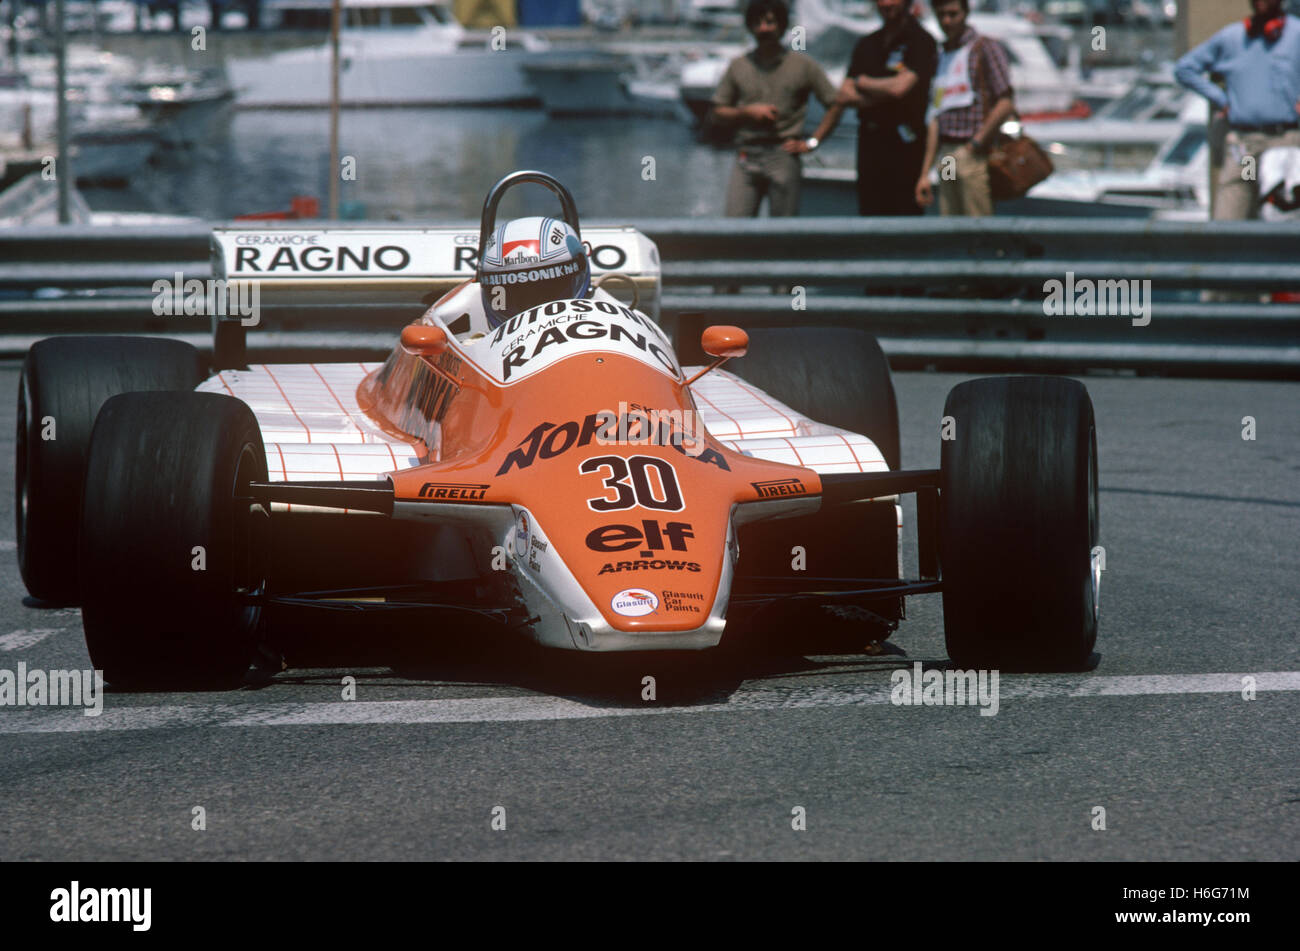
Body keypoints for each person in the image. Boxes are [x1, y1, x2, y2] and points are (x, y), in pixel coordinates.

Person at [711, 0, 851, 217]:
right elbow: (718, 112)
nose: (763, 29)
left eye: (770, 22)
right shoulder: (738, 65)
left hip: (783, 155)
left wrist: (812, 143)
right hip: (746, 156)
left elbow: (835, 104)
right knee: (733, 229)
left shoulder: (803, 65)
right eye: (757, 23)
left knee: (783, 232)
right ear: (750, 27)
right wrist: (747, 112)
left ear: (783, 26)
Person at [1174, 0, 1300, 220]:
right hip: (1246, 145)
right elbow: (1185, 69)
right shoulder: (1232, 38)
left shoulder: (1296, 34)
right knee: (1231, 214)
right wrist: (1220, 99)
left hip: (1286, 143)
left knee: (1284, 214)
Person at [914, 0, 1015, 216]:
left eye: (953, 14)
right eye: (941, 15)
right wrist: (925, 172)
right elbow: (936, 116)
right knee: (950, 219)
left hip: (973, 152)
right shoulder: (942, 56)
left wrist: (975, 144)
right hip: (948, 156)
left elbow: (1005, 101)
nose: (947, 21)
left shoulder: (984, 48)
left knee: (978, 222)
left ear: (965, 13)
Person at [840, 0, 938, 216]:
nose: (886, 3)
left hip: (906, 146)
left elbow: (900, 89)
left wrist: (864, 83)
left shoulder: (921, 41)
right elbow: (845, 93)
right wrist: (885, 90)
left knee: (905, 216)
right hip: (870, 142)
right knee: (869, 214)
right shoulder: (867, 43)